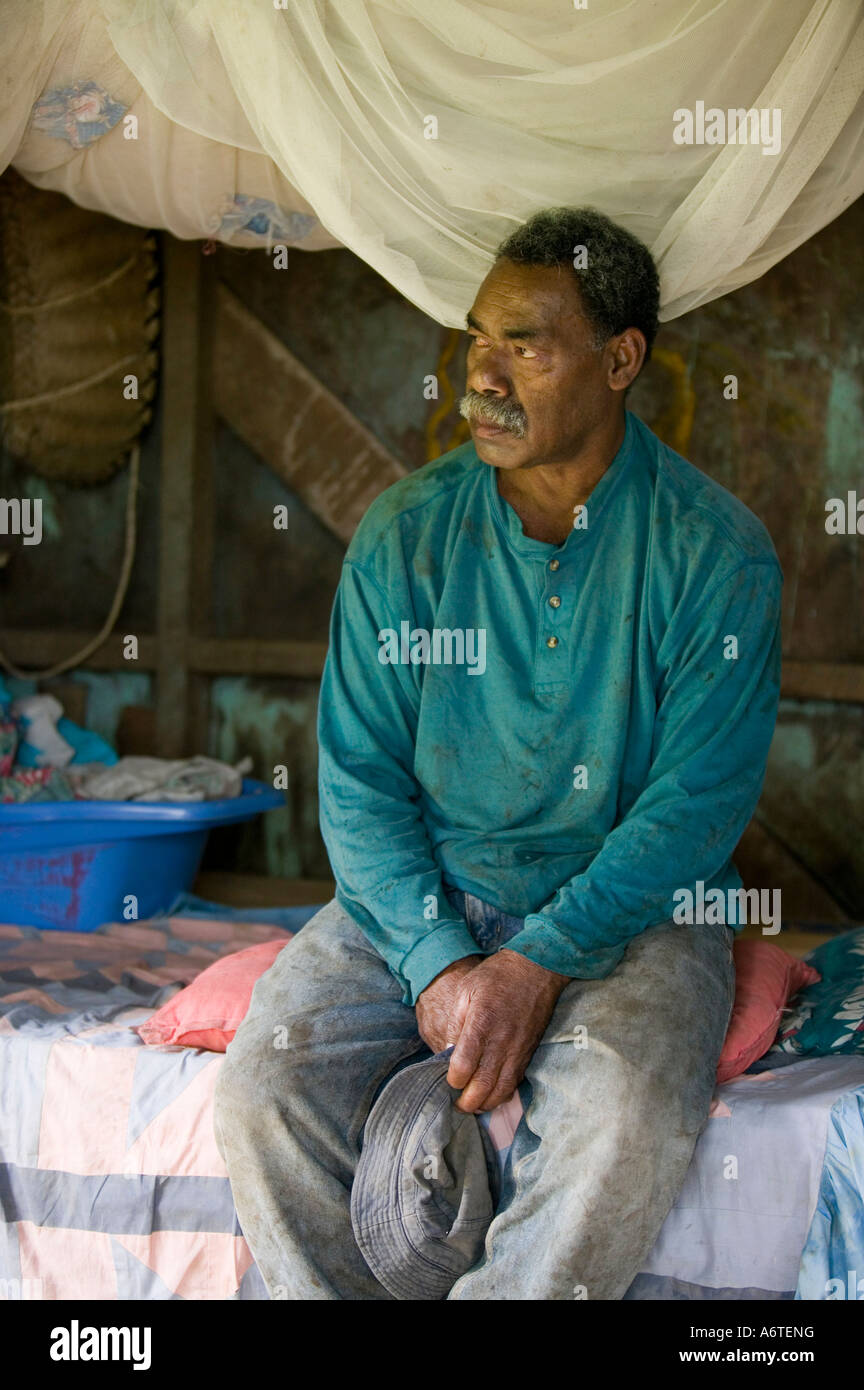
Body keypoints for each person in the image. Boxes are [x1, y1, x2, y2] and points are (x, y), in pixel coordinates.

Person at [215, 206, 783, 1301]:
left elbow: (694, 809)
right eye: (478, 338)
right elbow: (359, 780)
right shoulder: (406, 534)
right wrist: (435, 957)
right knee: (262, 1089)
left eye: (525, 344)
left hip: (637, 912)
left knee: (621, 1120)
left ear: (622, 360)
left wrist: (539, 962)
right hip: (429, 886)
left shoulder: (717, 553)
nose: (482, 374)